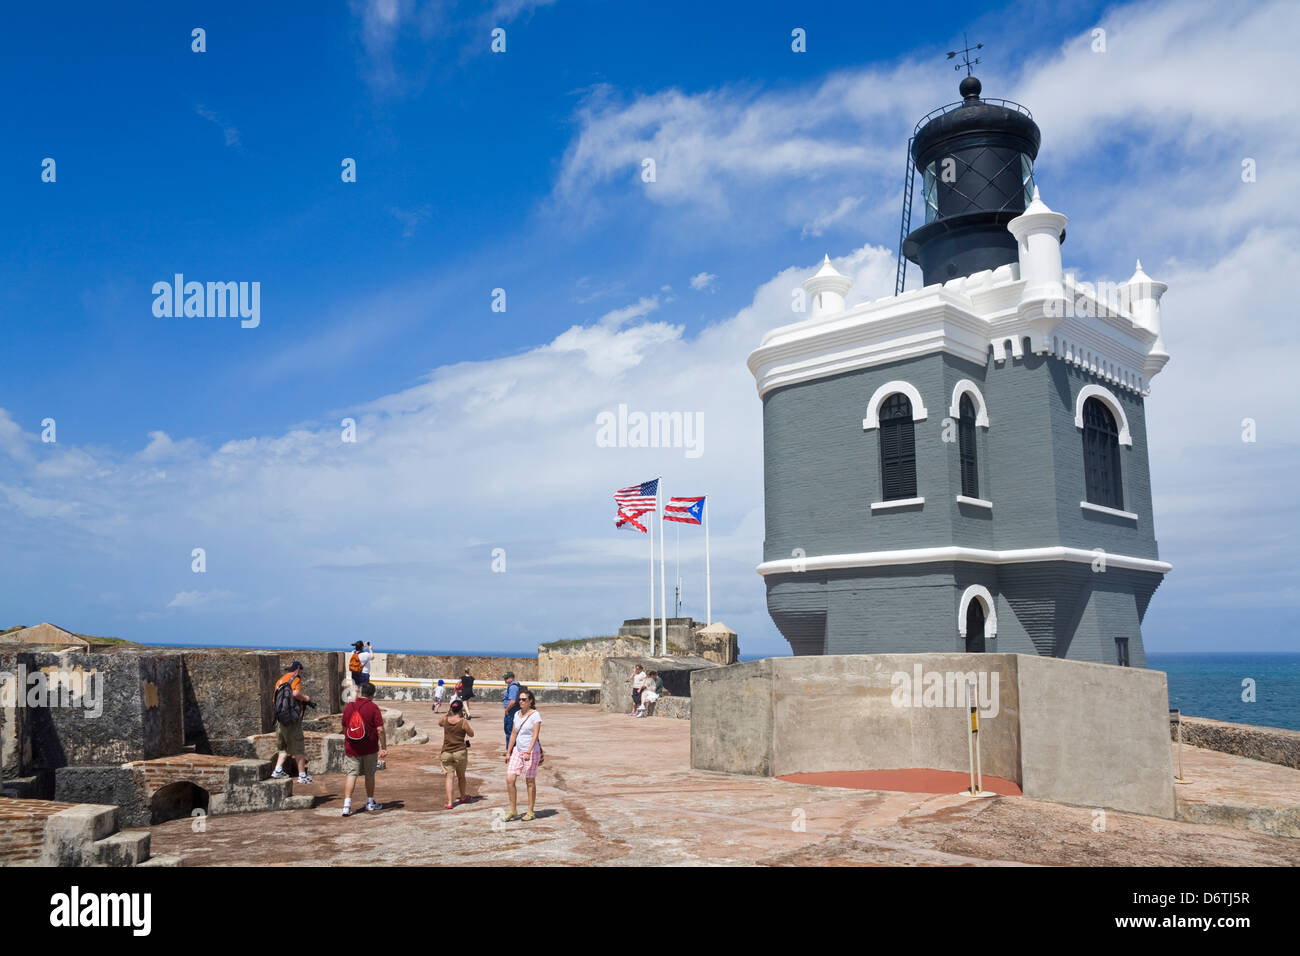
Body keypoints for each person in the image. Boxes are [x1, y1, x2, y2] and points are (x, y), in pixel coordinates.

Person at [340, 681, 387, 816]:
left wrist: (348, 739)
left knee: (351, 774)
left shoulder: (350, 706)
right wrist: (383, 747)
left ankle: (347, 806)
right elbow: (380, 730)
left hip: (352, 747)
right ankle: (370, 802)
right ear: (372, 695)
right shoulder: (373, 708)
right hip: (369, 748)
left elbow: (344, 725)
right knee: (370, 775)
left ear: (361, 693)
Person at [271, 661, 316, 784]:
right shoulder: (294, 678)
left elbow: (274, 700)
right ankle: (302, 776)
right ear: (297, 669)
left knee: (283, 747)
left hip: (280, 719)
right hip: (291, 719)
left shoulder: (280, 681)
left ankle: (278, 770)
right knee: (298, 747)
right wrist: (306, 698)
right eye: (300, 670)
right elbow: (295, 693)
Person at [504, 688, 542, 822]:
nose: (521, 701)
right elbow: (514, 733)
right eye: (520, 699)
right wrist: (508, 752)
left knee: (529, 781)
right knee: (510, 779)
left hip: (531, 752)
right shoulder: (517, 714)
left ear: (530, 701)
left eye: (524, 699)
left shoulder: (535, 715)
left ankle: (530, 811)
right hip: (517, 751)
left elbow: (535, 735)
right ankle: (513, 810)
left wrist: (529, 751)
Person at [438, 698, 475, 809]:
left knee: (449, 777)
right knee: (461, 776)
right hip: (460, 752)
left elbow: (439, 723)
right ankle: (463, 796)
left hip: (446, 752)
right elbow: (471, 734)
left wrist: (448, 713)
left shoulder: (445, 719)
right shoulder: (463, 722)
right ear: (461, 709)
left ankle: (450, 802)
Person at [501, 671, 521, 749]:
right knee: (509, 731)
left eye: (506, 678)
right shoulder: (513, 686)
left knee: (509, 731)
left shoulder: (513, 687)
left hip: (511, 712)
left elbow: (512, 701)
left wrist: (507, 710)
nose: (505, 680)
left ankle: (510, 750)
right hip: (512, 711)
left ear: (511, 678)